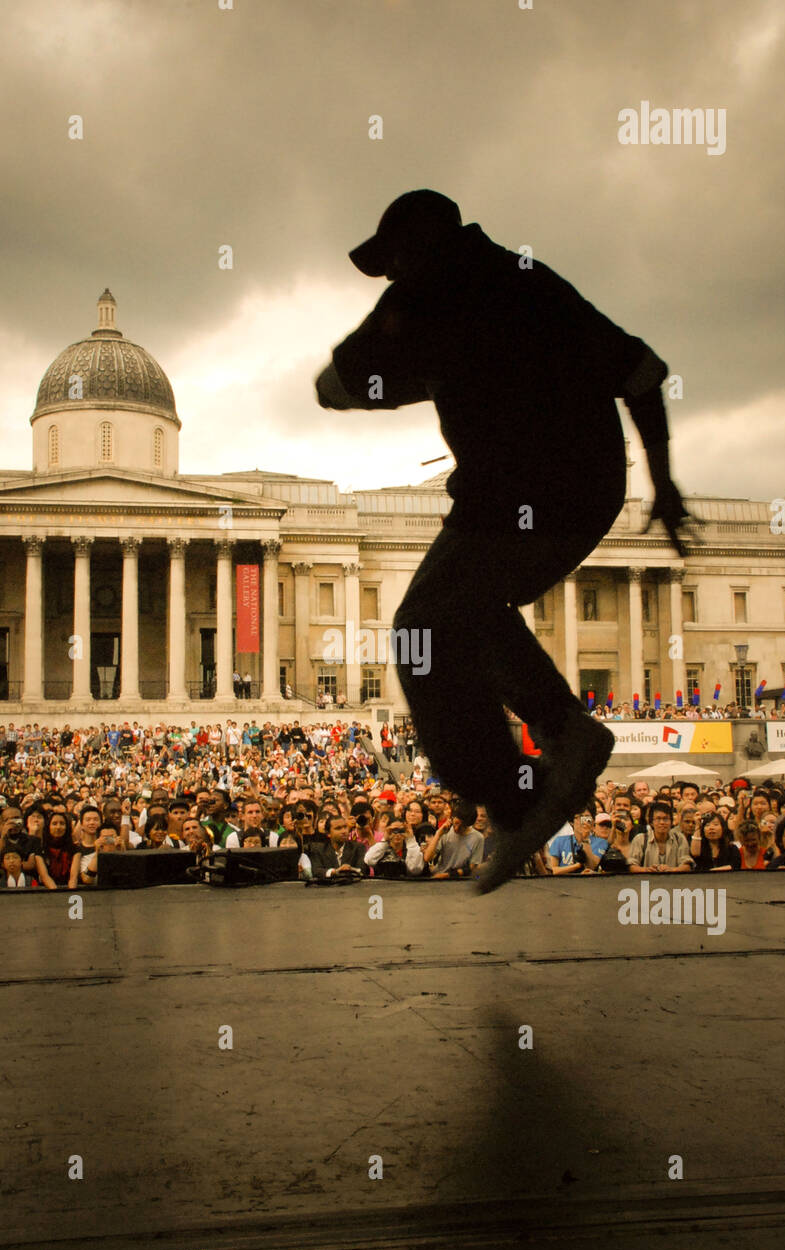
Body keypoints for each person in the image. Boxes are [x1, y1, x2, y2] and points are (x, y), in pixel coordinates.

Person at [316, 189, 693, 893]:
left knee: (421, 629)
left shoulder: (426, 298)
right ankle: (558, 736)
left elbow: (333, 386)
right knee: (466, 614)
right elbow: (642, 371)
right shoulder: (531, 281)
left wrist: (401, 364)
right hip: (584, 488)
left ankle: (520, 786)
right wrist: (663, 486)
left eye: (393, 265)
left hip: (511, 495)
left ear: (413, 253)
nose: (391, 279)